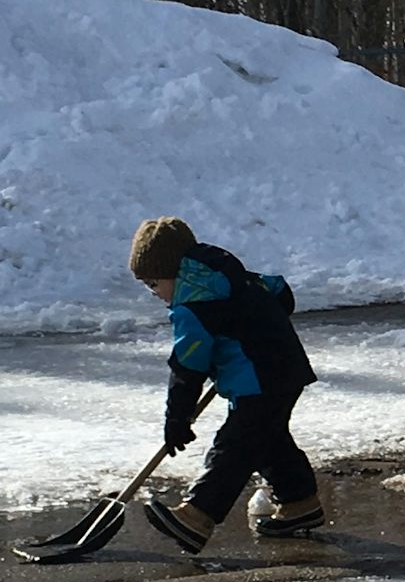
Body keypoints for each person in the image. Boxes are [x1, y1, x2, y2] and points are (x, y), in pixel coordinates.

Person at [127, 216, 325, 552]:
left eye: (154, 283)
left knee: (235, 446)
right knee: (268, 440)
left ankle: (197, 515)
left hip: (259, 379)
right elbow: (279, 291)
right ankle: (299, 503)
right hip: (285, 369)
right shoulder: (228, 274)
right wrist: (260, 325)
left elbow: (188, 365)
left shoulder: (193, 305)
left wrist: (177, 417)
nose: (155, 294)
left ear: (174, 273)